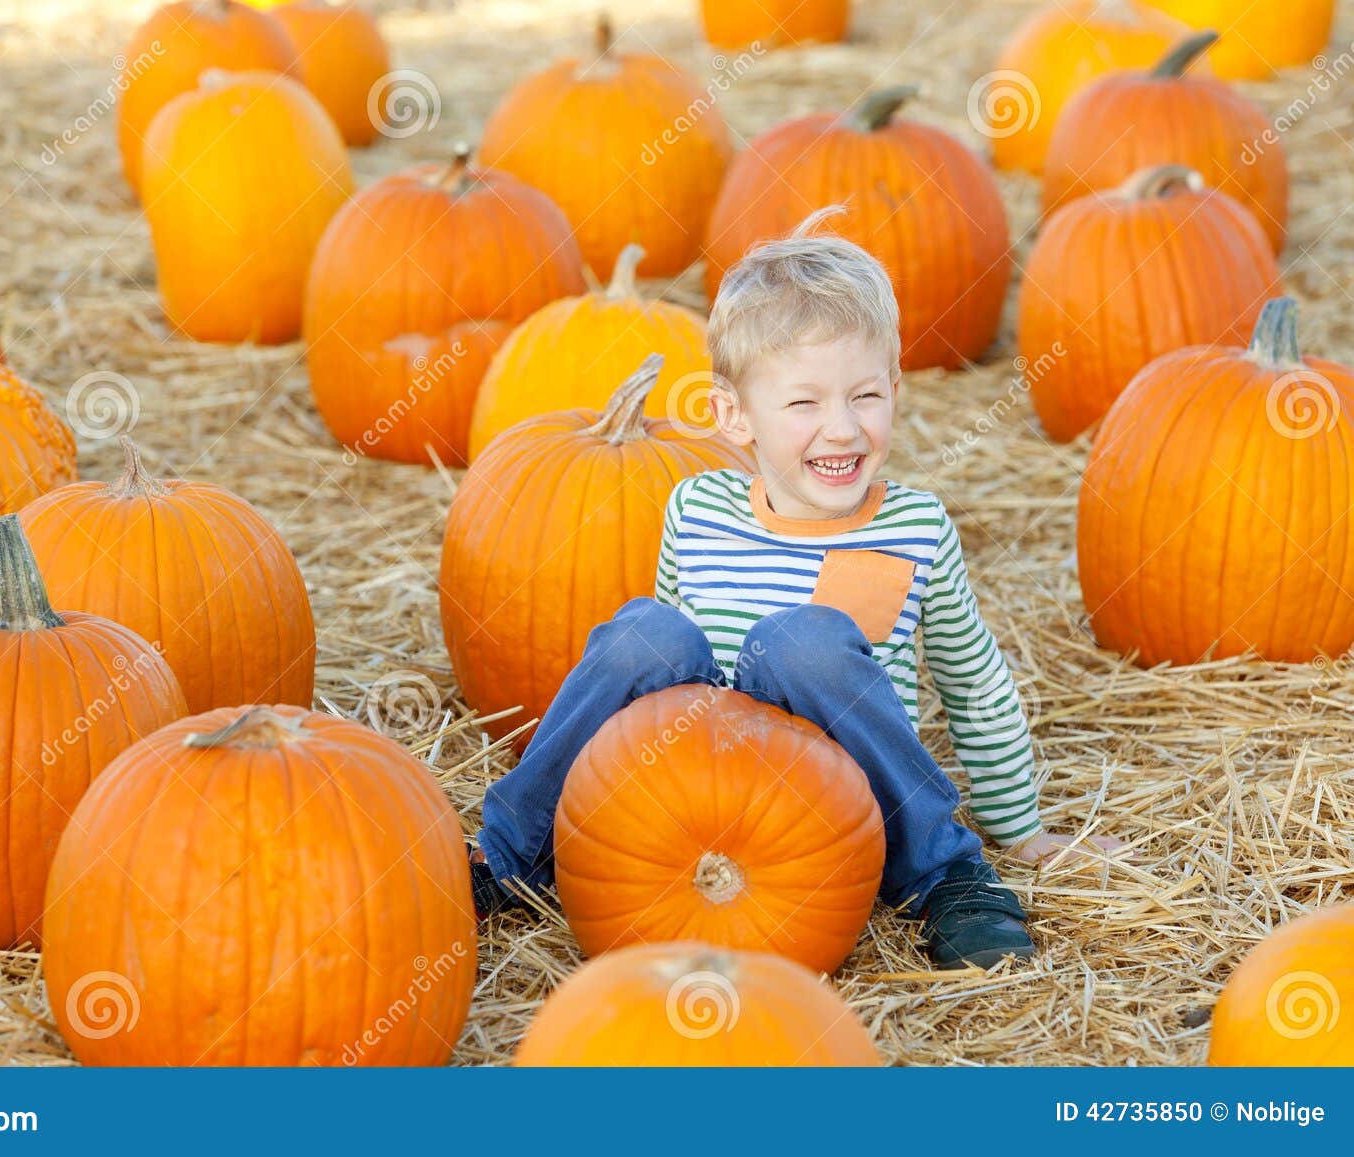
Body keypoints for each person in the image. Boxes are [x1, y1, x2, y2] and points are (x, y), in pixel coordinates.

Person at [469, 208, 1123, 968]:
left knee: (801, 643)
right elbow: (659, 690)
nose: (841, 429)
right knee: (647, 633)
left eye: (865, 397)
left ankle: (947, 872)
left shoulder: (915, 527)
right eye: (804, 403)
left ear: (897, 388)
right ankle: (513, 853)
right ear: (734, 415)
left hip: (844, 815)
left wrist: (1021, 825)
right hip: (702, 814)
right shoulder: (697, 508)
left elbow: (972, 680)